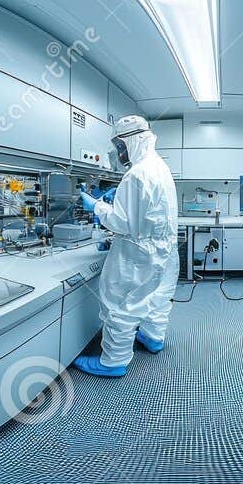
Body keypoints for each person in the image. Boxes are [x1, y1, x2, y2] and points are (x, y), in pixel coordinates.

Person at [73, 115, 180, 377]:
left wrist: (96, 205)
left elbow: (121, 223)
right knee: (157, 296)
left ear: (129, 142)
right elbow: (146, 212)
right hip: (166, 249)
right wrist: (116, 199)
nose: (118, 152)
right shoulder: (159, 167)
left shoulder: (136, 174)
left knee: (121, 303)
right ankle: (154, 338)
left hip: (138, 252)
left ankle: (113, 362)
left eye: (119, 146)